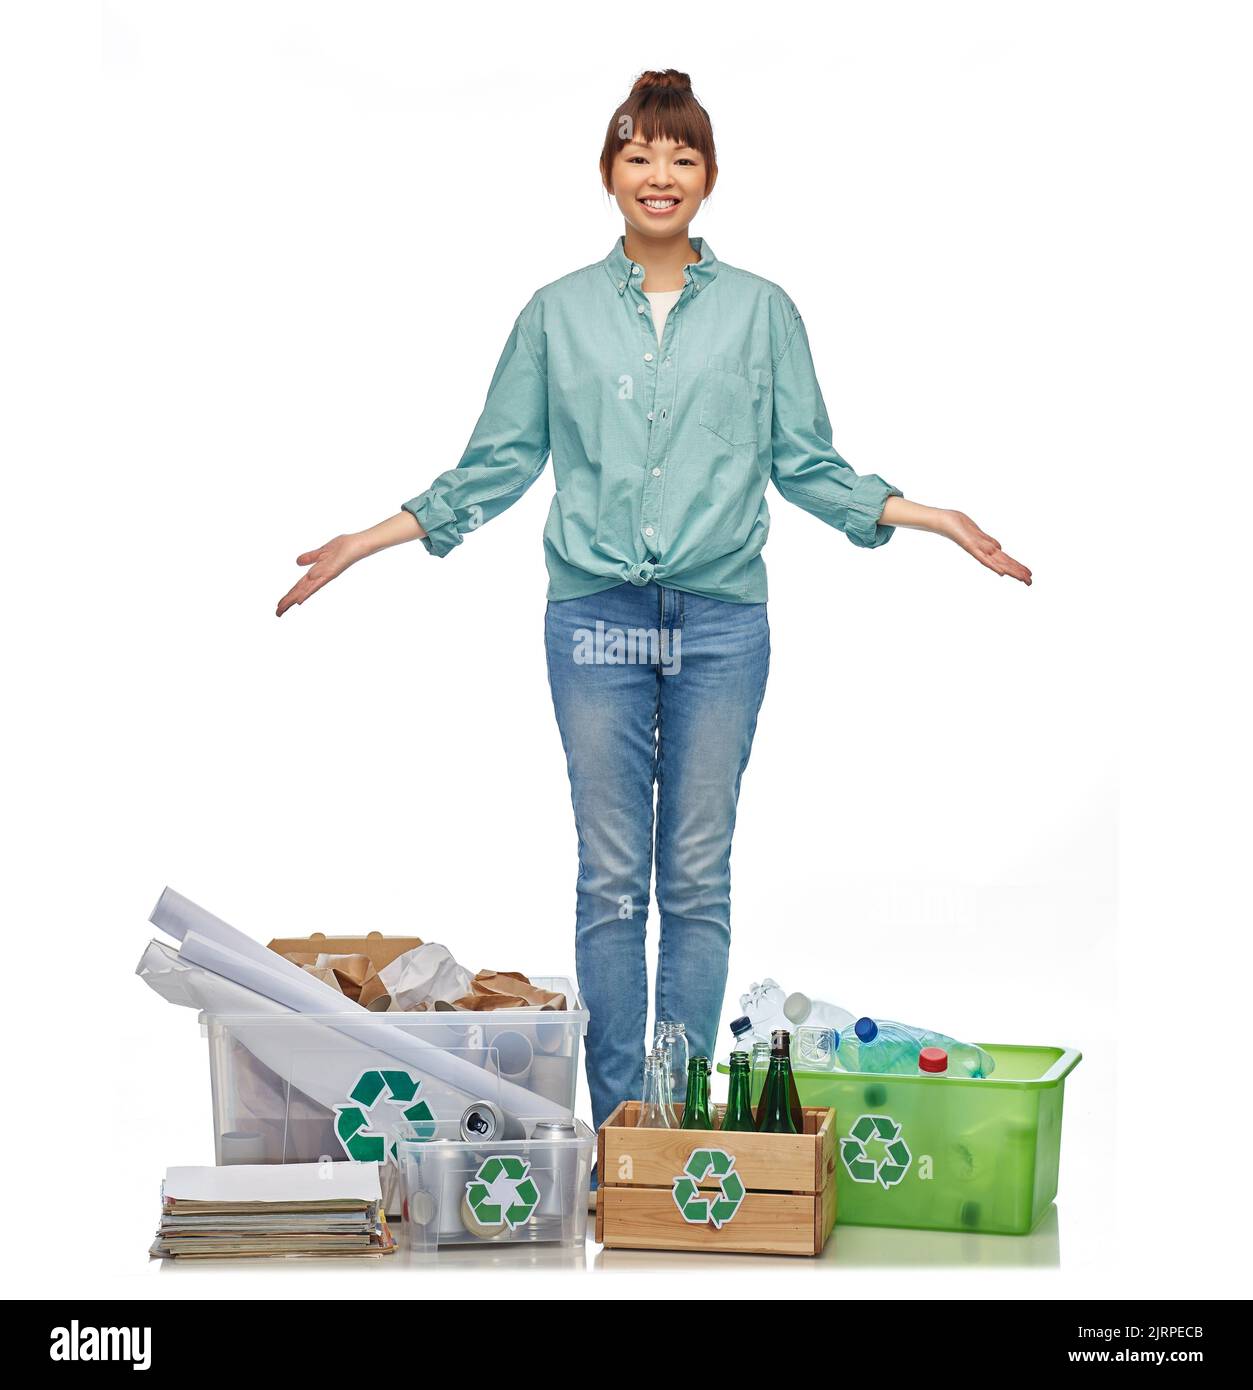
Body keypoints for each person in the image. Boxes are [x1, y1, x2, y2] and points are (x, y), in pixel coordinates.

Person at [276, 69, 1031, 1144]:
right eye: (639, 156)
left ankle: (677, 1129)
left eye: (680, 157)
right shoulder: (557, 314)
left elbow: (805, 464)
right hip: (594, 622)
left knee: (696, 877)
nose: (660, 175)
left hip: (721, 623)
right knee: (612, 882)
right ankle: (619, 1132)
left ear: (709, 175)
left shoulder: (762, 312)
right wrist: (372, 536)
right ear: (607, 174)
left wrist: (928, 517)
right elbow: (495, 464)